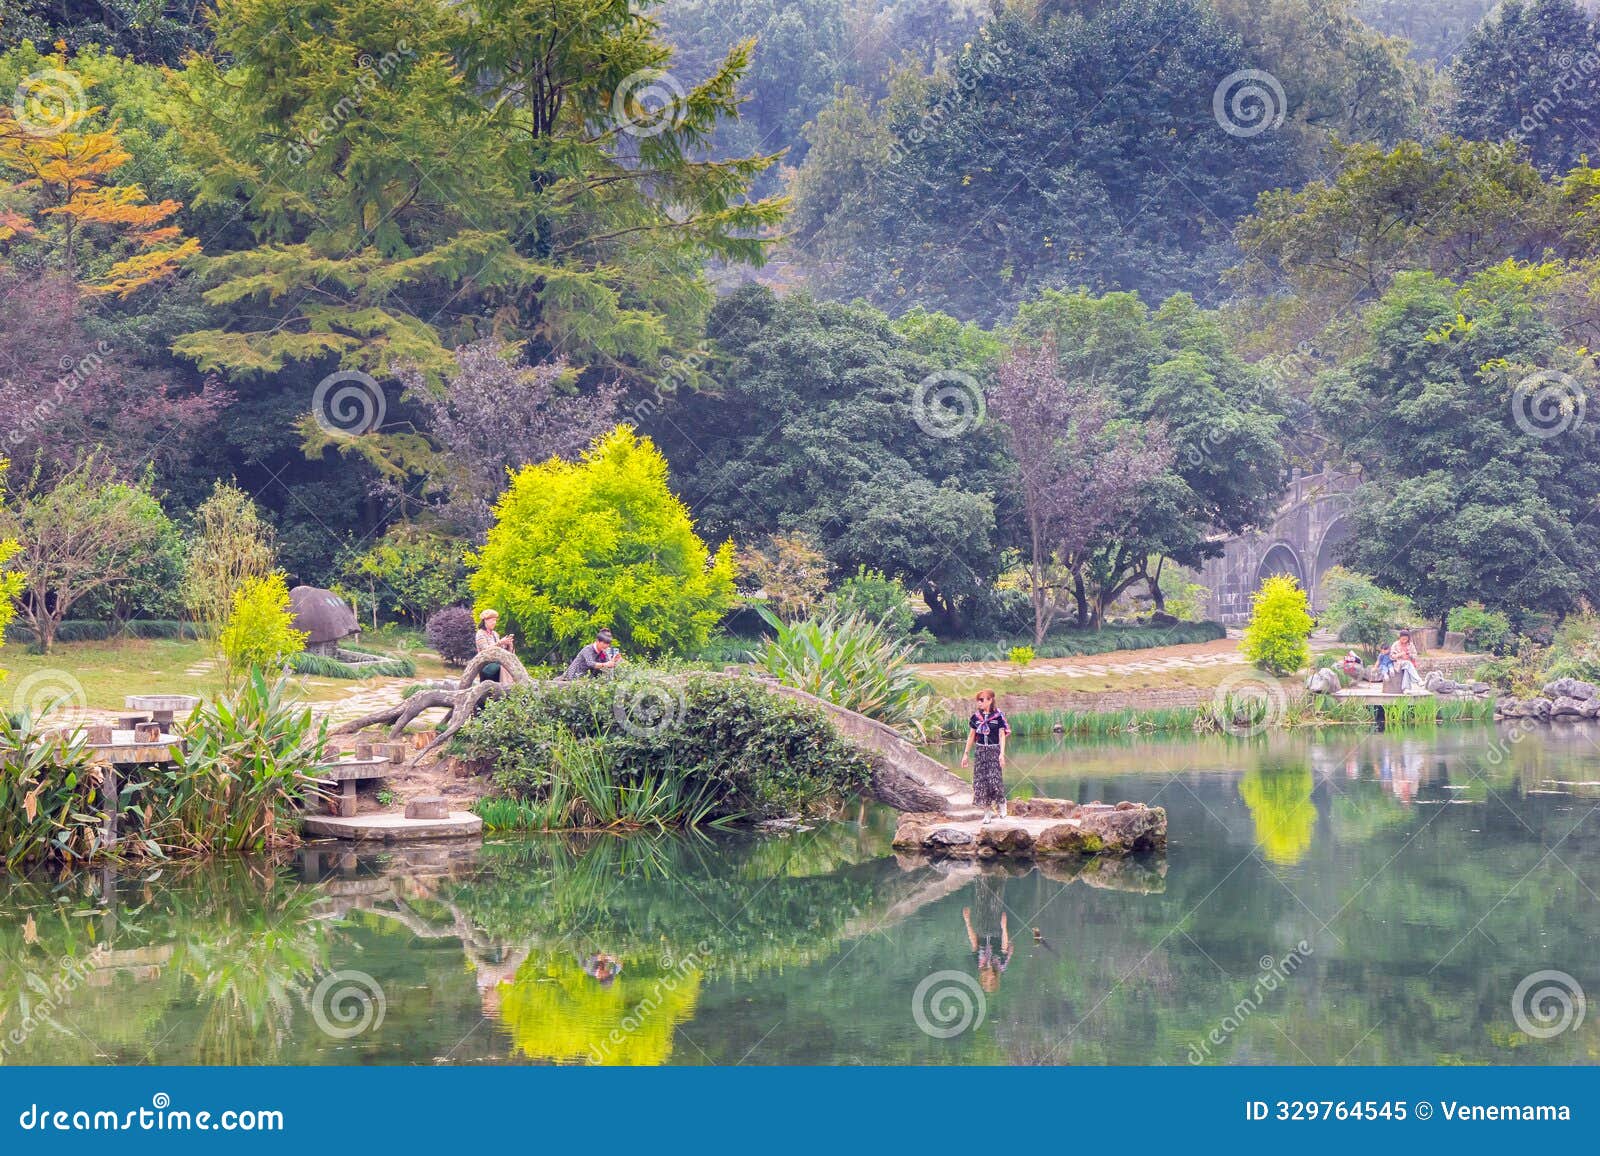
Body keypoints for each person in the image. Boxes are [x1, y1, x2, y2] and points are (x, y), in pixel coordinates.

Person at [961, 688, 1010, 821]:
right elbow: (971, 736)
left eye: (982, 700)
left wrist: (1002, 753)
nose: (980, 703)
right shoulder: (976, 717)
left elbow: (1002, 734)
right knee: (981, 783)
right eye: (978, 700)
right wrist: (965, 754)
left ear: (990, 700)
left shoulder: (998, 716)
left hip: (994, 750)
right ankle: (987, 813)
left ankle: (1002, 803)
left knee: (995, 780)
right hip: (980, 751)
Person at [963, 879, 1013, 994]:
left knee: (983, 894)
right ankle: (1000, 875)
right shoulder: (1000, 964)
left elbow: (974, 942)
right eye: (990, 980)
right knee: (997, 896)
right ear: (995, 978)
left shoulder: (979, 963)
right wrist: (1004, 927)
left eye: (984, 980)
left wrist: (967, 921)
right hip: (997, 929)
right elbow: (1005, 945)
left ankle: (983, 875)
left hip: (983, 927)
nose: (987, 977)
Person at [474, 609, 514, 685]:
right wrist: (500, 642)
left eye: (495, 620)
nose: (494, 623)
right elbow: (485, 650)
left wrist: (507, 644)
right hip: (486, 665)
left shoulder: (495, 634)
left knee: (509, 665)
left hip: (497, 663)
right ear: (485, 620)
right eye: (492, 620)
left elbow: (501, 650)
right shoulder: (480, 634)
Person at [1391, 628, 1423, 693]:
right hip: (1398, 663)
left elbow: (1415, 655)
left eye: (1406, 639)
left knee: (1407, 668)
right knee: (1407, 664)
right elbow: (1391, 656)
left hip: (1409, 663)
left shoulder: (1410, 645)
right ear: (1400, 637)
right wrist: (1400, 654)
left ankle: (1406, 689)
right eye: (1403, 639)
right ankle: (1418, 680)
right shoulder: (1395, 644)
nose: (1404, 641)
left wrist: (1410, 654)